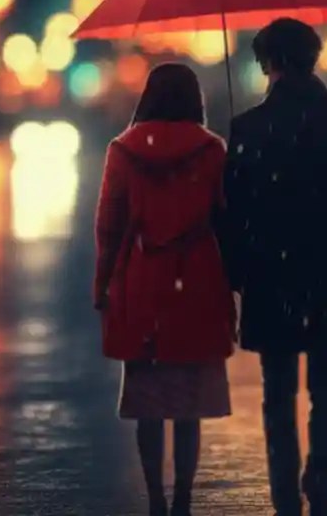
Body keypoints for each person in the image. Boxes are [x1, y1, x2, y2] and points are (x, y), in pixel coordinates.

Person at [222, 18, 327, 516]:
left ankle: (283, 485)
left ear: (270, 63)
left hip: (271, 274)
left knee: (278, 388)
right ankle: (320, 472)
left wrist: (235, 272)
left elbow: (232, 211)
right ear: (313, 60)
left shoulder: (247, 128)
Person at [93, 63, 236, 516]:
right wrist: (236, 283)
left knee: (149, 403)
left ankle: (156, 496)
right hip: (197, 281)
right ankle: (183, 499)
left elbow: (109, 227)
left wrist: (102, 285)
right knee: (188, 406)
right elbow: (228, 221)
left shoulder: (123, 150)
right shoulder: (212, 150)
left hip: (144, 282)